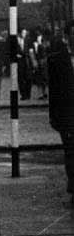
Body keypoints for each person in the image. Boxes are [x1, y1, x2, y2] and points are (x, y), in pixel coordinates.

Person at [44, 29, 74, 205]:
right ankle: (73, 187)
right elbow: (53, 92)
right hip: (67, 114)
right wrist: (53, 117)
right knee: (70, 151)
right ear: (67, 37)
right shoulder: (56, 60)